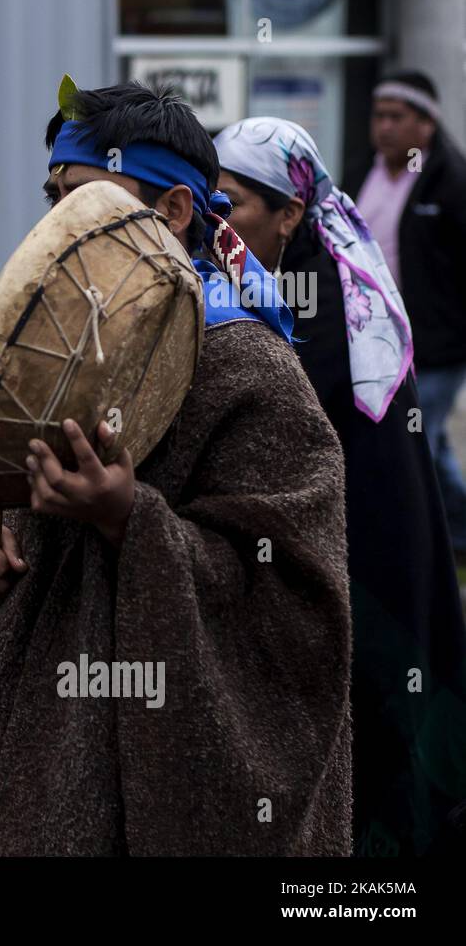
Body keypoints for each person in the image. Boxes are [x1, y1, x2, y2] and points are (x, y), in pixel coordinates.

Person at [0, 79, 352, 855]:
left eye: (84, 199)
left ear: (173, 212)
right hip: (28, 739)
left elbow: (296, 595)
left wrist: (128, 518)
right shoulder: (53, 344)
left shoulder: (250, 369)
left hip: (153, 780)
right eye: (52, 197)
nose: (58, 224)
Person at [216, 116, 466, 856]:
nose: (215, 226)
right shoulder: (308, 278)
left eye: (230, 206)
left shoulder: (316, 301)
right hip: (369, 540)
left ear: (291, 212)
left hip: (367, 551)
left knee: (373, 738)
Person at [356, 72, 466, 554]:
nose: (384, 127)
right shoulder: (367, 169)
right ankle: (449, 530)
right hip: (380, 339)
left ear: (426, 123)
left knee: (420, 436)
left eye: (396, 117)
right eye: (378, 116)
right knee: (428, 439)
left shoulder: (451, 181)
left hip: (436, 343)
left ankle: (446, 537)